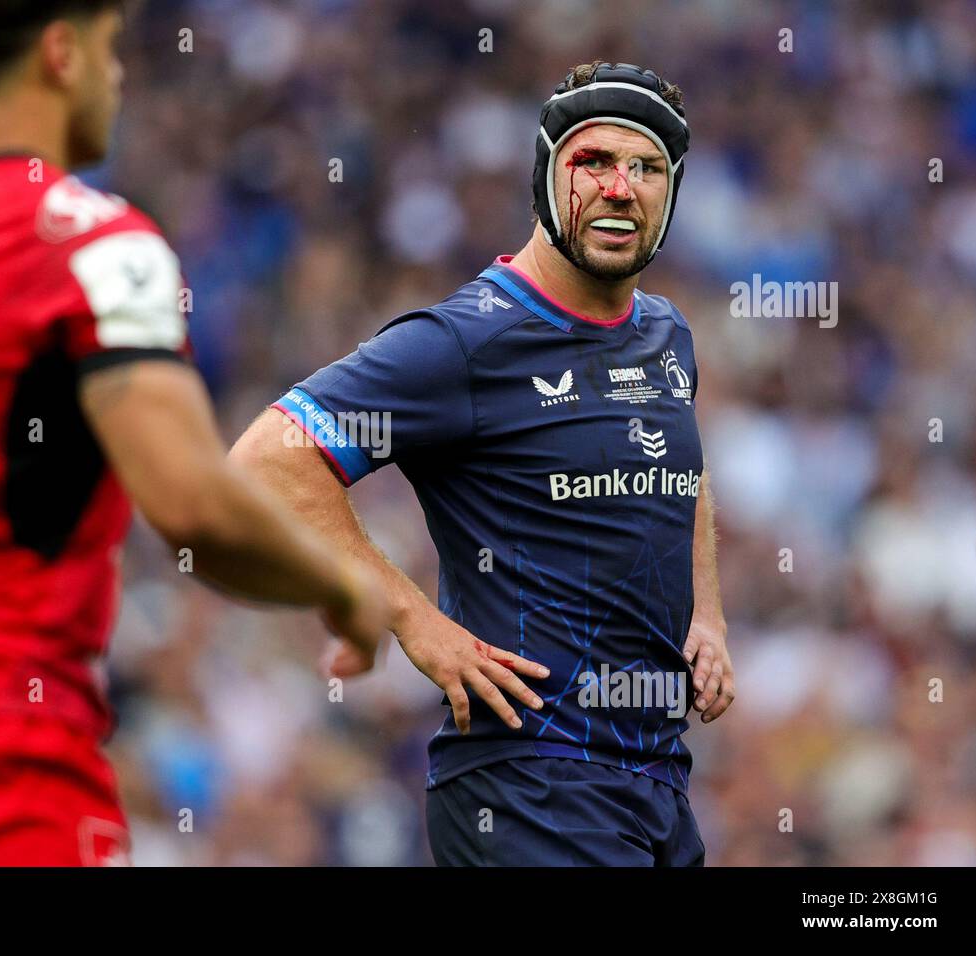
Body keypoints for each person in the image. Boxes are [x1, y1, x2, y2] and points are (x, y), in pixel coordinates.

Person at [0, 0, 389, 866]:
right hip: (2, 765)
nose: (119, 72)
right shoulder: (93, 246)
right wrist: (347, 589)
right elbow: (193, 504)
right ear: (60, 51)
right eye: (111, 44)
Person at [230, 62, 734, 865]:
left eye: (645, 168)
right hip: (528, 785)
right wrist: (415, 621)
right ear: (545, 177)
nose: (619, 187)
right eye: (593, 162)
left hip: (657, 782)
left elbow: (681, 461)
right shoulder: (467, 341)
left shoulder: (666, 333)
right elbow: (266, 459)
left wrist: (706, 613)